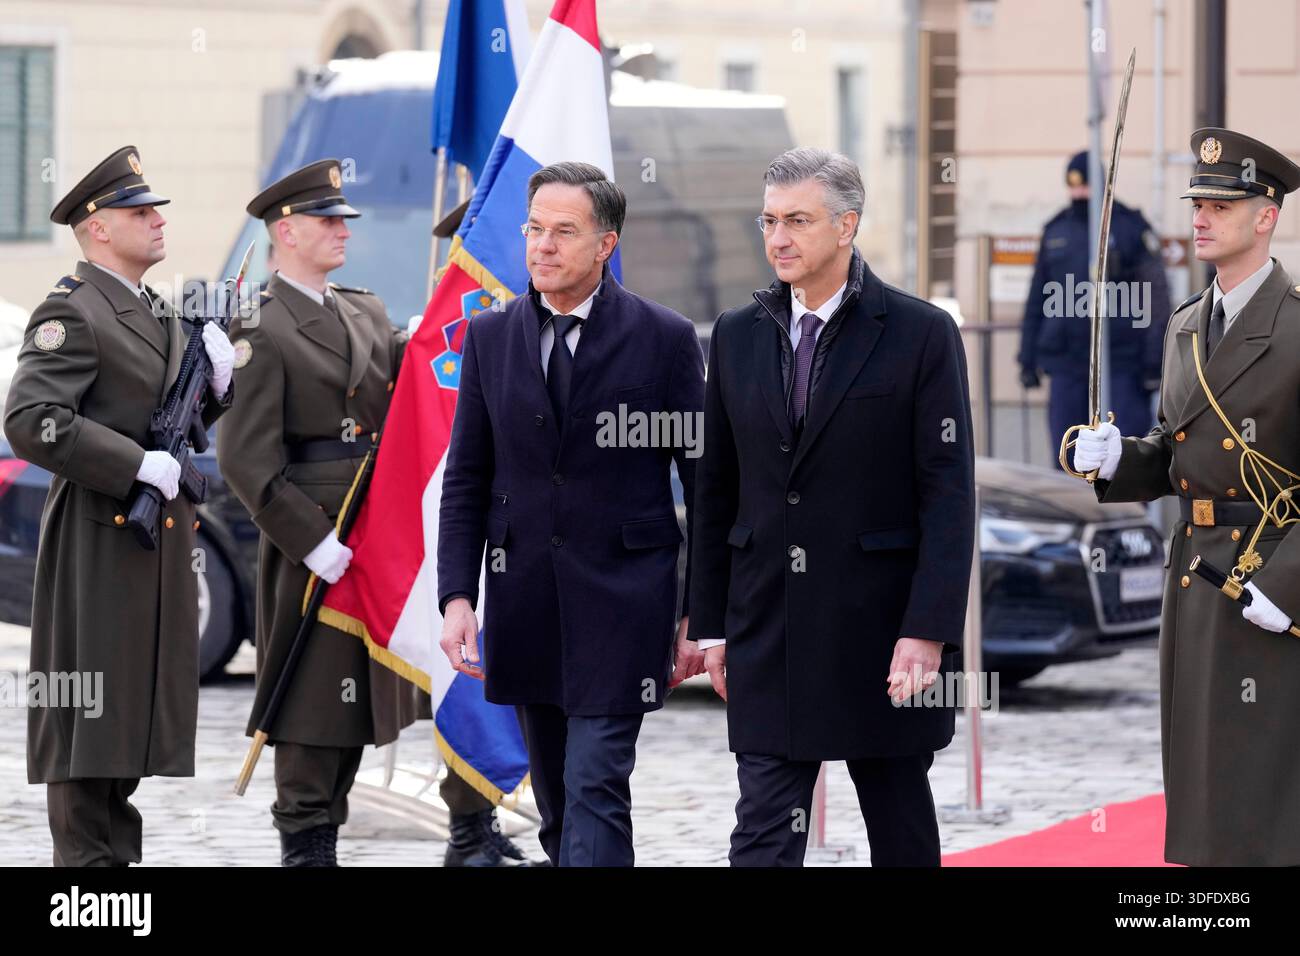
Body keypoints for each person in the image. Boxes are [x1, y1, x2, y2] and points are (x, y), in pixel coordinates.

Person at [689, 147, 975, 866]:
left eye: (797, 221)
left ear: (846, 226)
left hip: (879, 634)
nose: (778, 238)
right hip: (769, 630)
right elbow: (715, 488)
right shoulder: (735, 336)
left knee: (899, 828)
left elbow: (948, 494)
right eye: (768, 221)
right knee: (760, 834)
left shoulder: (920, 334)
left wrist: (928, 631)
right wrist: (712, 626)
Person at [437, 161, 705, 866]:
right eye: (534, 229)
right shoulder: (491, 339)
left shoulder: (664, 339)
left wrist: (701, 612)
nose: (542, 246)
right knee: (557, 804)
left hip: (624, 604)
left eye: (564, 231)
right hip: (524, 601)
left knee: (596, 786)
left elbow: (703, 484)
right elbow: (467, 476)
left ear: (605, 244)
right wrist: (458, 596)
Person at [1073, 128, 1300, 866]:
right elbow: (1177, 455)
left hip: (1265, 582)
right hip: (1196, 577)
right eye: (1198, 202)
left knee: (1265, 789)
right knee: (1203, 784)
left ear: (1266, 215)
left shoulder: (1297, 328)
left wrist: (1289, 582)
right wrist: (1116, 462)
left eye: (1222, 204)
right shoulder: (1185, 327)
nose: (1200, 216)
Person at [3, 146, 235, 865]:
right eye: (139, 211)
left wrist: (217, 385)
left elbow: (171, 414)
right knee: (87, 731)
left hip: (151, 548)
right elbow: (31, 417)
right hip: (99, 544)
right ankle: (88, 883)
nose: (157, 220)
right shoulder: (72, 312)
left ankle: (112, 878)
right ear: (98, 227)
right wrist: (135, 462)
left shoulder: (151, 309)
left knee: (126, 731)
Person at [216, 159, 422, 866]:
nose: (343, 232)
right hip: (314, 533)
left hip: (372, 522)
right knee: (308, 695)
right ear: (287, 231)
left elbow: (401, 386)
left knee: (356, 700)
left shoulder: (361, 307)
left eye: (344, 221)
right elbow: (245, 459)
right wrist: (310, 540)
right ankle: (305, 843)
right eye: (328, 222)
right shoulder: (261, 327)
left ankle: (326, 826)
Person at [1019, 150, 1171, 463]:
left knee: (1125, 458)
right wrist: (1027, 358)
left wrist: (1154, 365)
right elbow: (1037, 299)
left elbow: (1156, 299)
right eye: (1073, 187)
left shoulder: (1130, 228)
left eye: (1085, 187)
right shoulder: (1056, 231)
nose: (1079, 194)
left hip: (1122, 365)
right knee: (1068, 456)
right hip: (1068, 364)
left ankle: (1125, 514)